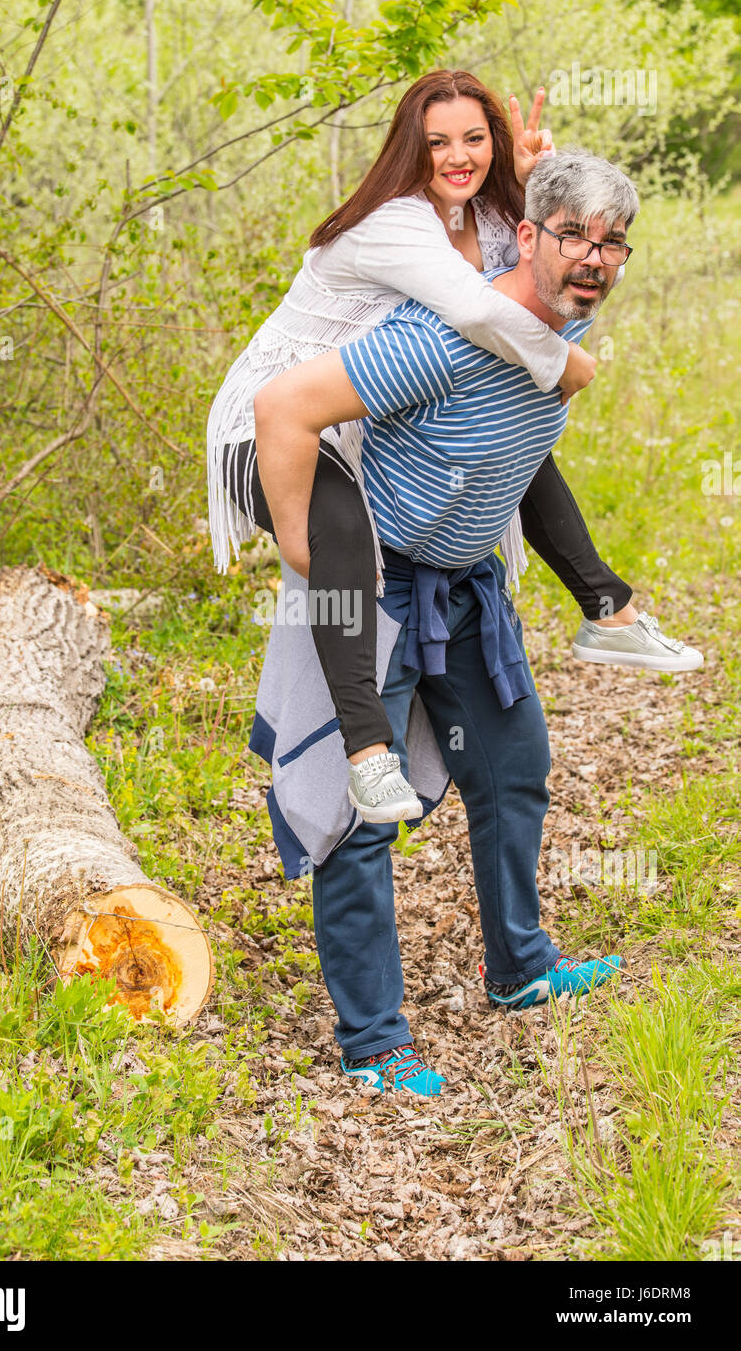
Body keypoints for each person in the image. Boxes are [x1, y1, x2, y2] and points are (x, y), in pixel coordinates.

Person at [208, 70, 701, 829]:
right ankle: (367, 754)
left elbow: (548, 242)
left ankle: (606, 610)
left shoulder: (489, 215)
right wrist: (570, 365)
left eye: (475, 137)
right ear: (410, 148)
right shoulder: (397, 224)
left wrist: (535, 173)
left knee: (514, 436)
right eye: (437, 142)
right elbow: (475, 310)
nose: (457, 155)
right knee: (340, 544)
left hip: (349, 411)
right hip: (270, 420)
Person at [251, 150, 635, 1096]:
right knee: (358, 813)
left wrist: (600, 590)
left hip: (465, 593)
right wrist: (306, 555)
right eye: (573, 236)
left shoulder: (552, 346)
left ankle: (519, 965)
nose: (592, 257)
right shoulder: (444, 334)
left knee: (511, 769)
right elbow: (286, 408)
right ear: (533, 237)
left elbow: (524, 467)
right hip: (376, 595)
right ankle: (373, 1040)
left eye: (611, 242)